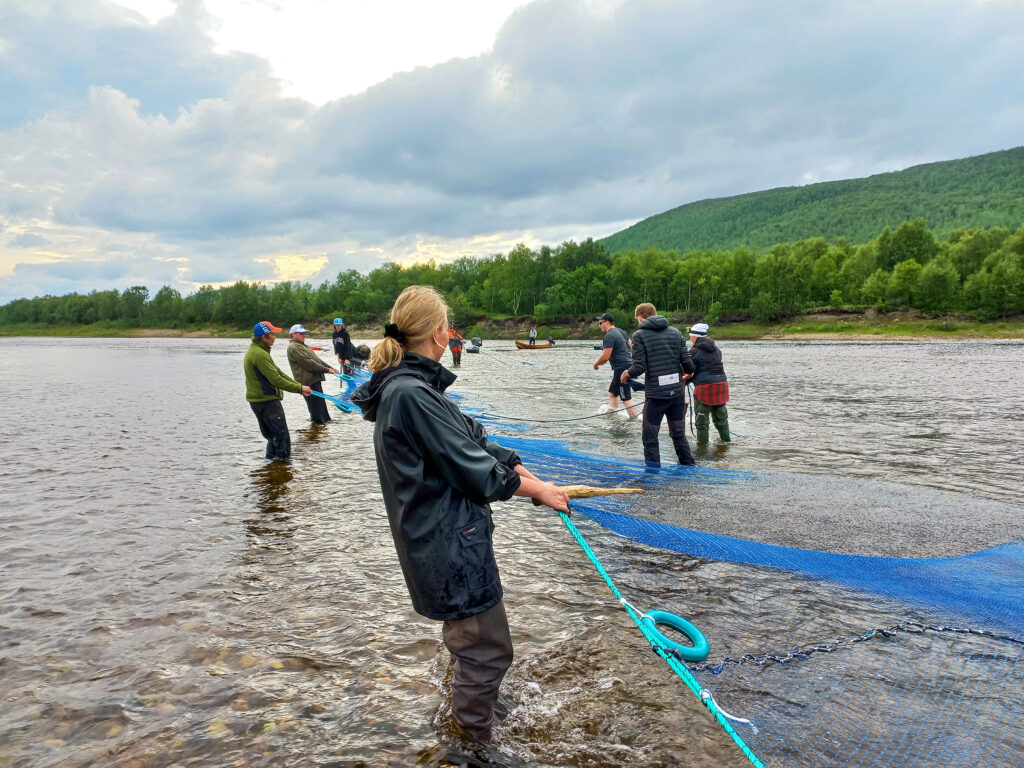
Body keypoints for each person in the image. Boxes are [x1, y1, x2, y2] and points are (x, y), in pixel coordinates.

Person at [351, 285, 570, 744]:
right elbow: (476, 472)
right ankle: (469, 747)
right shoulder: (410, 394)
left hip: (442, 539)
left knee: (472, 643)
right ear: (438, 334)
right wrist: (537, 492)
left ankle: (470, 711)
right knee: (488, 649)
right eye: (448, 328)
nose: (451, 335)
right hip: (447, 544)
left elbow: (474, 438)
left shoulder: (415, 388)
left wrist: (527, 474)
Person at [621, 303, 696, 466]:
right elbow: (688, 365)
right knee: (678, 434)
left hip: (656, 396)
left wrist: (626, 374)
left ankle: (653, 475)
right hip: (677, 393)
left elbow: (639, 367)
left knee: (650, 437)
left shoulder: (639, 335)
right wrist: (689, 372)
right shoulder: (675, 332)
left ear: (640, 318)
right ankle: (689, 468)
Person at [244, 321, 312, 461]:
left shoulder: (257, 351)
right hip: (267, 401)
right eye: (272, 334)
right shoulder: (260, 354)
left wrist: (298, 386)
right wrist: (299, 388)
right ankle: (283, 468)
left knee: (272, 437)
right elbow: (276, 380)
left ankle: (271, 466)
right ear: (264, 337)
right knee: (282, 437)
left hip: (258, 401)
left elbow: (278, 372)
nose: (275, 337)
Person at [686, 322, 731, 444]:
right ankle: (726, 444)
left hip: (704, 388)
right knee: (722, 420)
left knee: (702, 423)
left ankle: (702, 448)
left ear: (695, 337)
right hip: (722, 386)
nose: (690, 339)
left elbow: (689, 371)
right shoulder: (717, 349)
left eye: (691, 336)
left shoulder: (694, 351)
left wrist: (682, 382)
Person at [286, 323, 338, 425]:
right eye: (301, 333)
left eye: (304, 333)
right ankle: (316, 430)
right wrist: (327, 370)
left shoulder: (302, 345)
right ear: (293, 334)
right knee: (316, 412)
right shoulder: (294, 347)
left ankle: (323, 427)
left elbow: (317, 360)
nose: (304, 335)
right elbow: (309, 363)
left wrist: (330, 368)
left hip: (314, 380)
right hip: (307, 383)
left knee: (323, 411)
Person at [593, 312, 638, 419]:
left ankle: (635, 420)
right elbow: (631, 347)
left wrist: (596, 364)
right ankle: (613, 416)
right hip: (628, 365)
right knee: (613, 392)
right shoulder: (622, 332)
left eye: (600, 323)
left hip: (622, 369)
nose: (599, 325)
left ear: (607, 322)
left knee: (625, 396)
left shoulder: (609, 335)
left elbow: (605, 357)